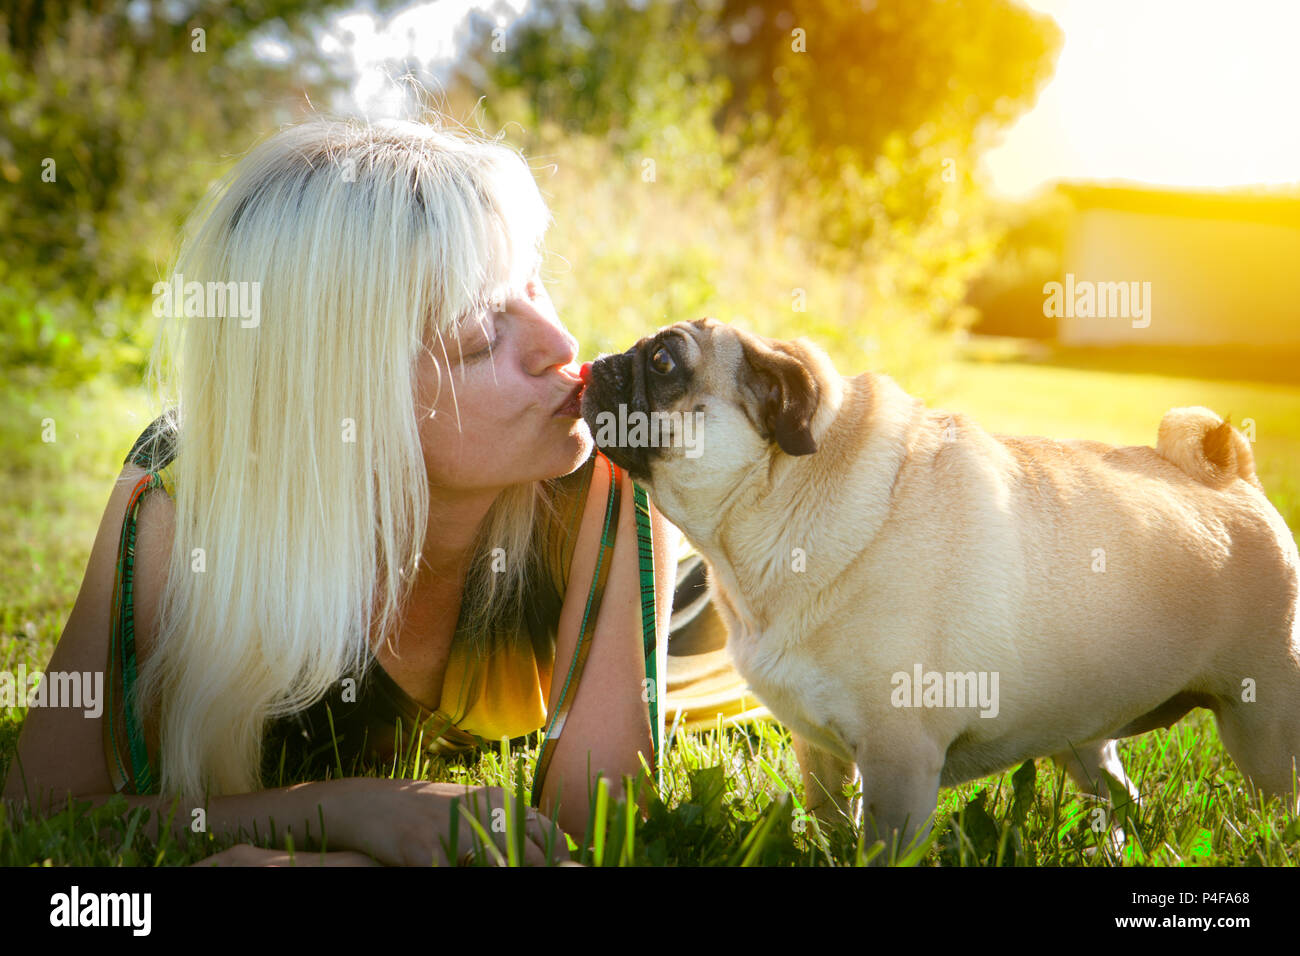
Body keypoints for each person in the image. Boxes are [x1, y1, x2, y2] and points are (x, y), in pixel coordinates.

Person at [2, 114, 693, 866]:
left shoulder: (614, 466)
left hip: (704, 645)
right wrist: (338, 812)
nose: (561, 345)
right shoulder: (179, 501)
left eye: (534, 288)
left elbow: (590, 829)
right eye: (479, 336)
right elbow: (46, 813)